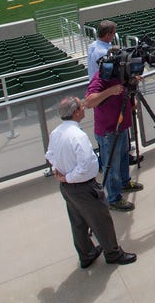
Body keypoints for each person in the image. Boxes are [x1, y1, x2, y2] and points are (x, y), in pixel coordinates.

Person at [44, 96, 138, 269]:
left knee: (78, 222)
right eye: (81, 106)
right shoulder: (78, 136)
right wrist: (68, 177)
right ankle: (113, 253)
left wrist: (61, 172)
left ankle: (86, 254)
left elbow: (49, 154)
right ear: (75, 112)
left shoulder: (56, 132)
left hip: (67, 188)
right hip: (82, 187)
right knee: (101, 220)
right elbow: (87, 167)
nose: (84, 108)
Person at [84, 51, 143, 211]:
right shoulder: (101, 76)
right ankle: (113, 198)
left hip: (122, 125)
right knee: (112, 165)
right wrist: (110, 91)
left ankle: (125, 183)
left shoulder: (122, 74)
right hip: (109, 131)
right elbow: (88, 102)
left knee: (124, 157)